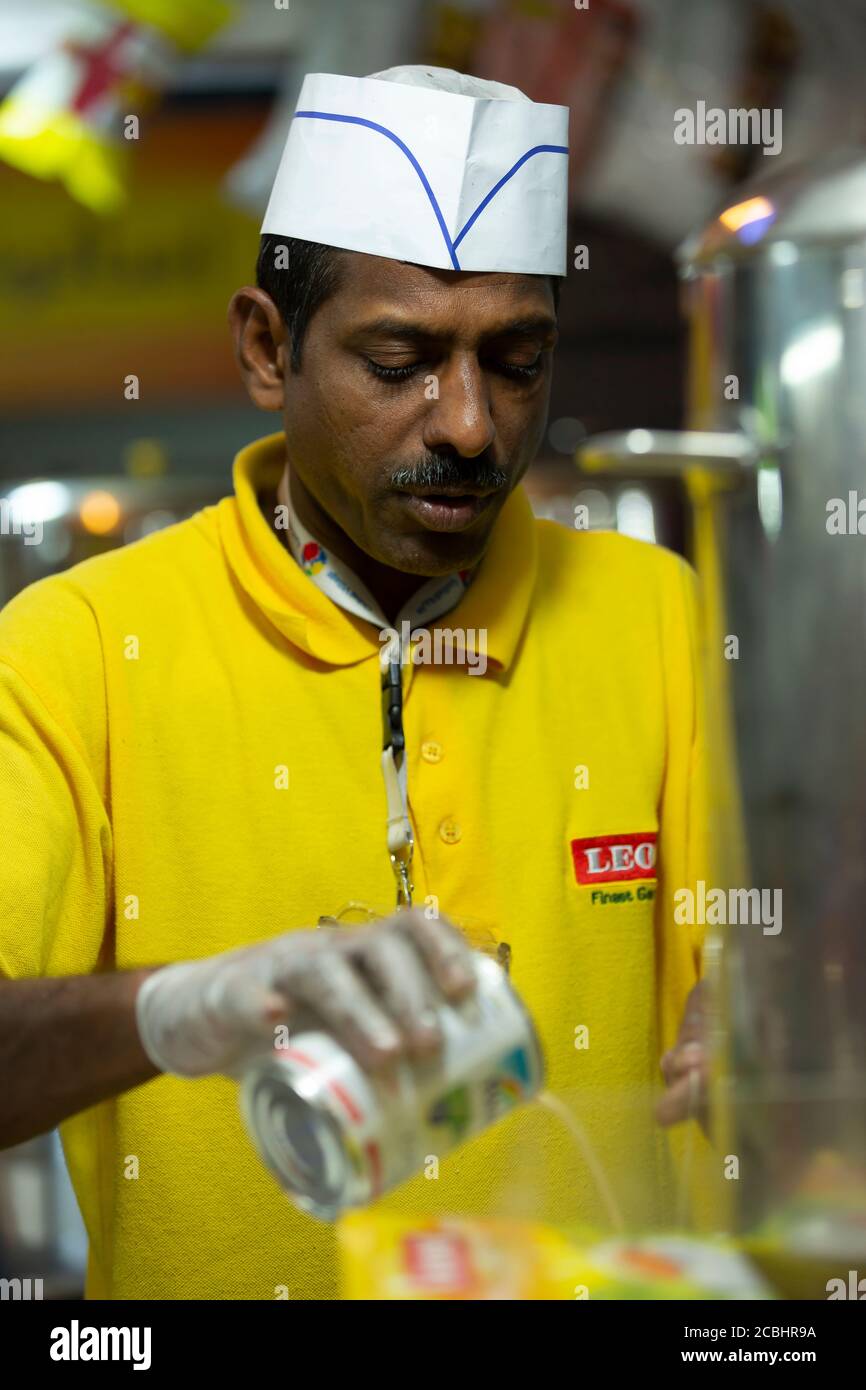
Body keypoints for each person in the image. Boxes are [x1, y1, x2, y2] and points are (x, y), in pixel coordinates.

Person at [0, 66, 711, 1300]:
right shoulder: (78, 648)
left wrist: (784, 1021)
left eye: (517, 359)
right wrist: (183, 1006)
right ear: (267, 349)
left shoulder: (657, 621)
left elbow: (785, 963)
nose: (471, 426)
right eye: (399, 362)